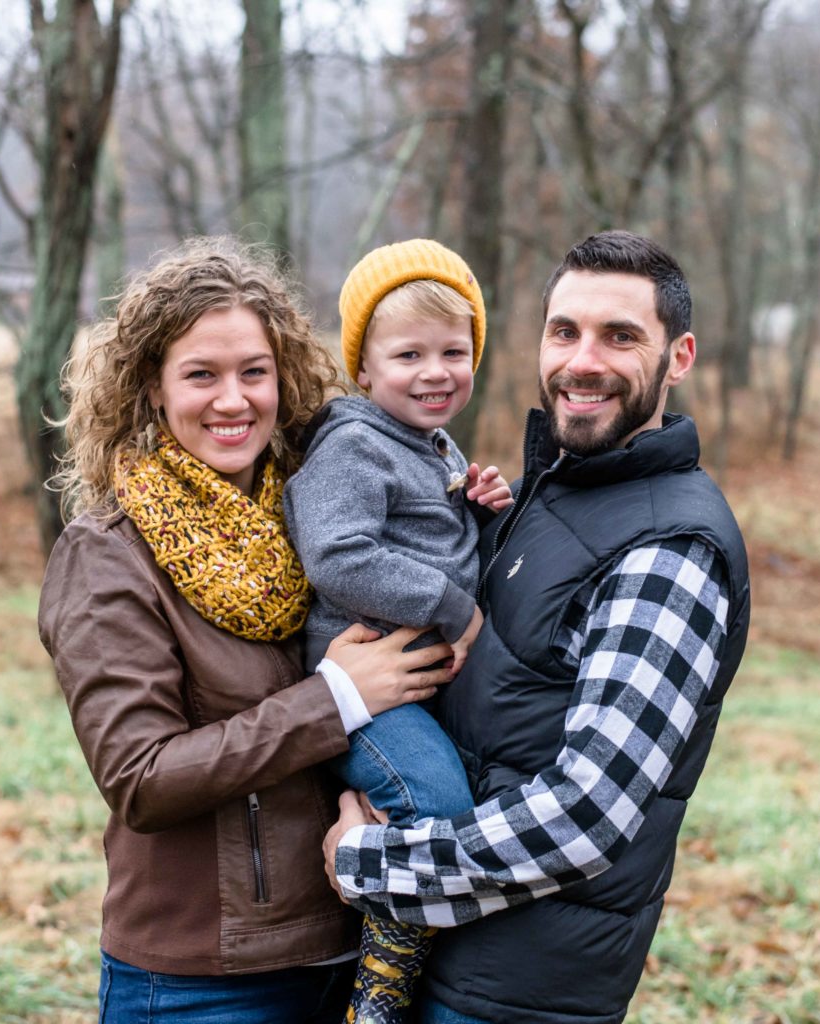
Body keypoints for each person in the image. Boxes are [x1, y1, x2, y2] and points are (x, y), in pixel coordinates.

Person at [324, 231, 753, 1024]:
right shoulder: (552, 491)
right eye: (565, 332)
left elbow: (586, 814)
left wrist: (371, 866)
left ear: (680, 357)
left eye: (621, 336)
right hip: (449, 964)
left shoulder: (669, 550)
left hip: (512, 996)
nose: (582, 361)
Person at [37, 236, 456, 1024]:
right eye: (201, 374)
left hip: (352, 942)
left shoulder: (321, 511)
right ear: (153, 392)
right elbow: (142, 777)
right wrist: (332, 699)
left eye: (253, 373)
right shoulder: (108, 557)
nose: (233, 400)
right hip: (206, 978)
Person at [283, 239, 513, 1023]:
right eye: (408, 354)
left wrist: (483, 511)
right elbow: (338, 555)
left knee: (455, 807)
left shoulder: (431, 445)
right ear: (364, 371)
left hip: (418, 687)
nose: (435, 371)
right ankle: (380, 988)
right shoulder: (352, 444)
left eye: (455, 351)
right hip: (370, 689)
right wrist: (455, 609)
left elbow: (432, 538)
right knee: (436, 802)